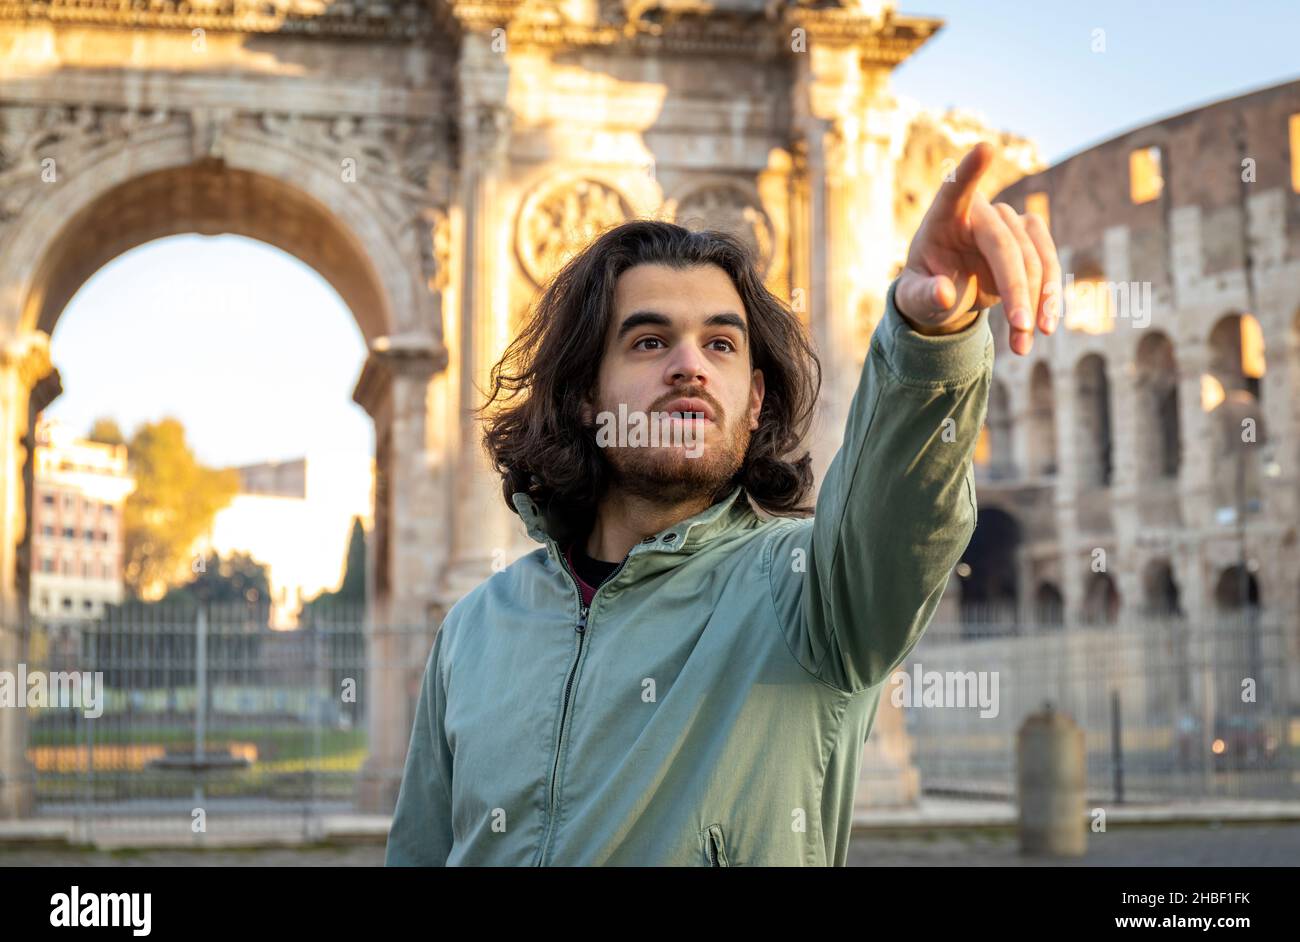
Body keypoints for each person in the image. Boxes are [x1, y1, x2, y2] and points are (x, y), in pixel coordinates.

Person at [385, 142, 1061, 865]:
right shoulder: (474, 629)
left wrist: (930, 336)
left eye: (721, 344)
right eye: (649, 341)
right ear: (584, 395)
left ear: (755, 396)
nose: (691, 366)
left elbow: (899, 511)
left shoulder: (812, 597)